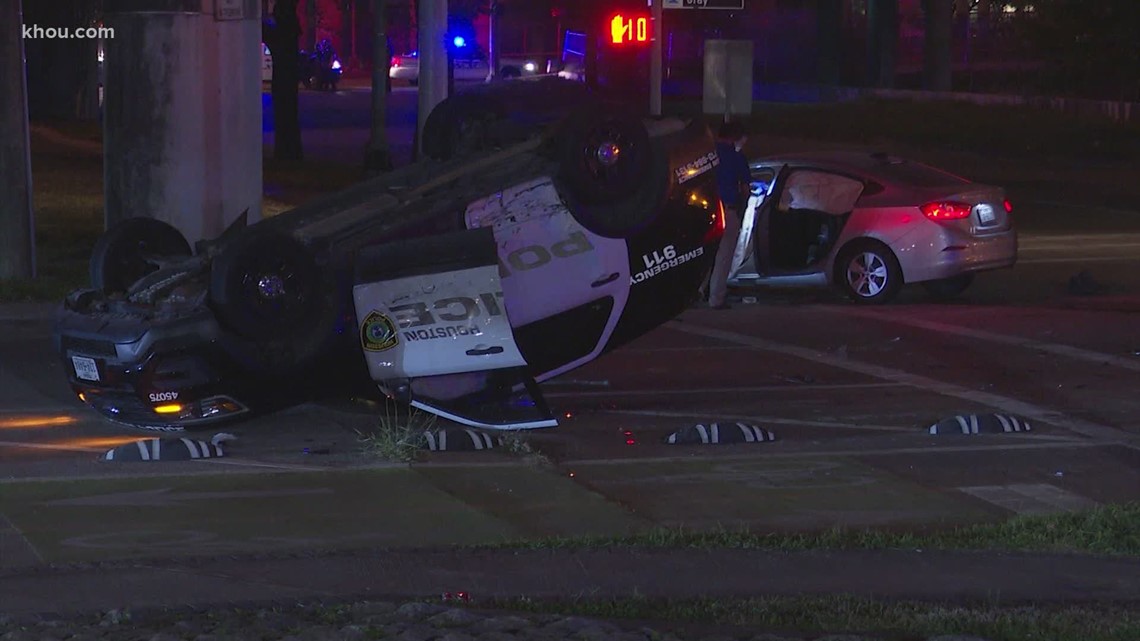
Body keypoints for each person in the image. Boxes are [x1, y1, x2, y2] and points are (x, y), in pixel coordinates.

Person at [702, 120, 752, 310]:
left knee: (705, 253)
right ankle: (716, 298)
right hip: (728, 211)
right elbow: (746, 189)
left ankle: (698, 291)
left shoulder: (707, 155)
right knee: (724, 256)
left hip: (706, 211)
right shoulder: (736, 157)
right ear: (735, 137)